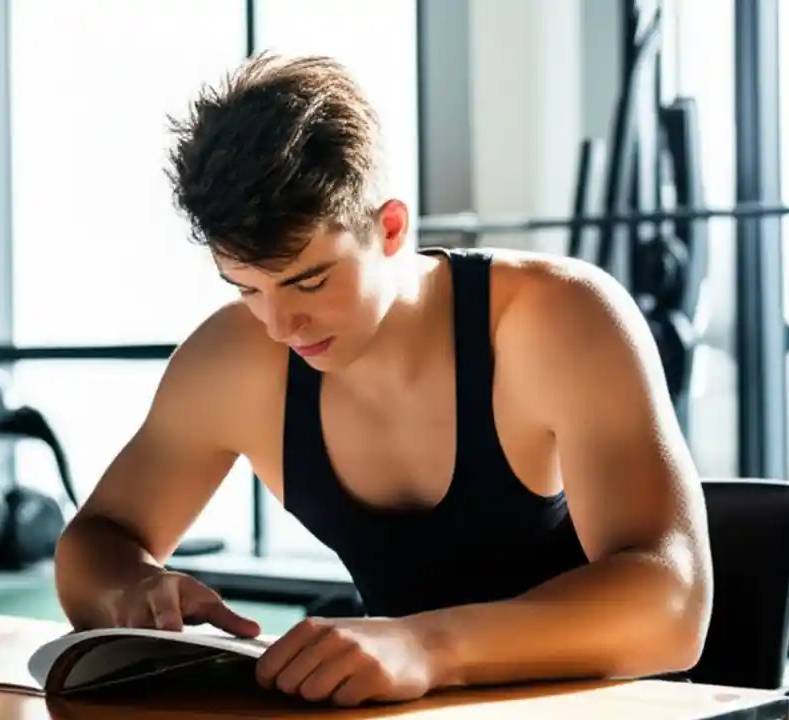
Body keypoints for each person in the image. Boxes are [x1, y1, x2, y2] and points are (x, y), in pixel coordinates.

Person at [54, 53, 713, 707]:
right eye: (246, 287)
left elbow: (672, 605)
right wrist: (130, 588)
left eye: (309, 279)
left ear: (390, 228)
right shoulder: (237, 359)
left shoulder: (556, 319)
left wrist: (426, 647)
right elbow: (98, 538)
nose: (280, 323)